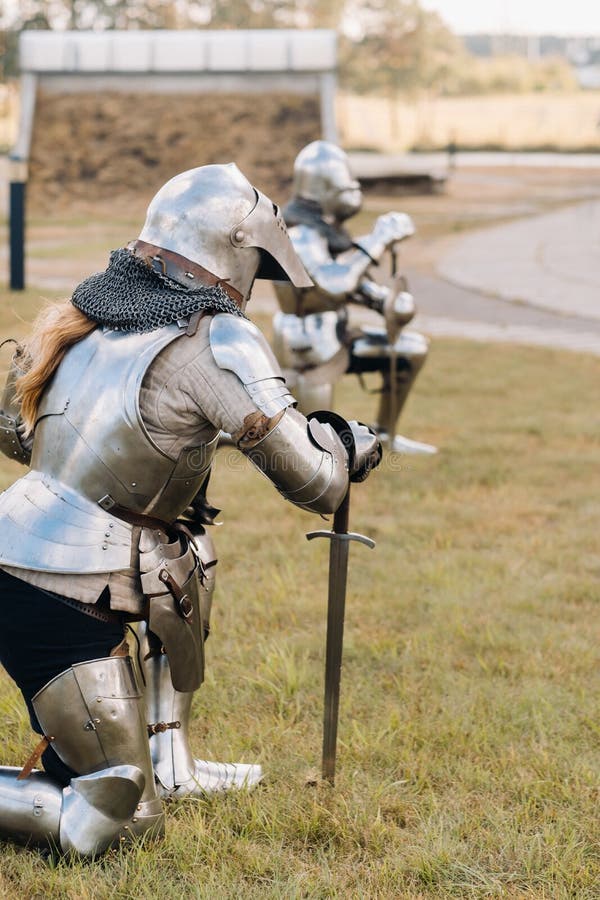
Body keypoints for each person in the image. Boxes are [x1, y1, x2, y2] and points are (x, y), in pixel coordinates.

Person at [0, 163, 381, 858]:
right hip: (54, 598)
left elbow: (18, 435)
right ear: (233, 249)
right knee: (113, 819)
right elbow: (317, 484)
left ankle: (167, 763)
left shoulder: (83, 320)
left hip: (30, 557)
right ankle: (112, 775)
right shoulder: (217, 341)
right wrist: (351, 444)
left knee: (185, 553)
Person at [272, 140, 437, 455]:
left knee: (411, 350)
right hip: (306, 346)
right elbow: (332, 283)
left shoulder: (325, 232)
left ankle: (386, 436)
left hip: (336, 334)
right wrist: (379, 239)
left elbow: (350, 278)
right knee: (310, 448)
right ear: (327, 187)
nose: (353, 190)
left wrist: (383, 300)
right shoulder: (301, 235)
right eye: (346, 184)